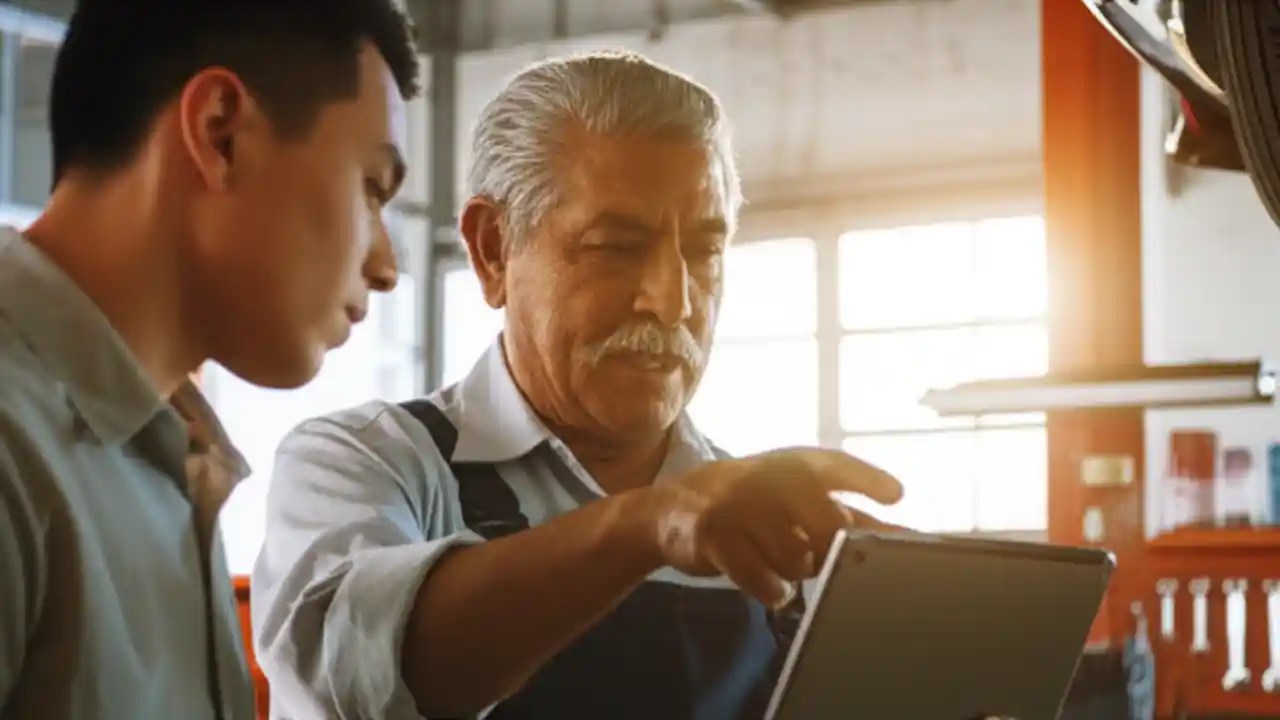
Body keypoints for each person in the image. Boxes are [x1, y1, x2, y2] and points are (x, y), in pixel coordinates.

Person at [252, 51, 904, 720]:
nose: (672, 301)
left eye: (705, 251)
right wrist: (650, 524)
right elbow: (353, 677)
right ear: (492, 249)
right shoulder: (366, 464)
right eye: (615, 247)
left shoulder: (772, 532)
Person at [0, 1, 419, 718]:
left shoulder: (167, 461)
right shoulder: (18, 451)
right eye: (371, 189)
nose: (386, 265)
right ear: (221, 132)